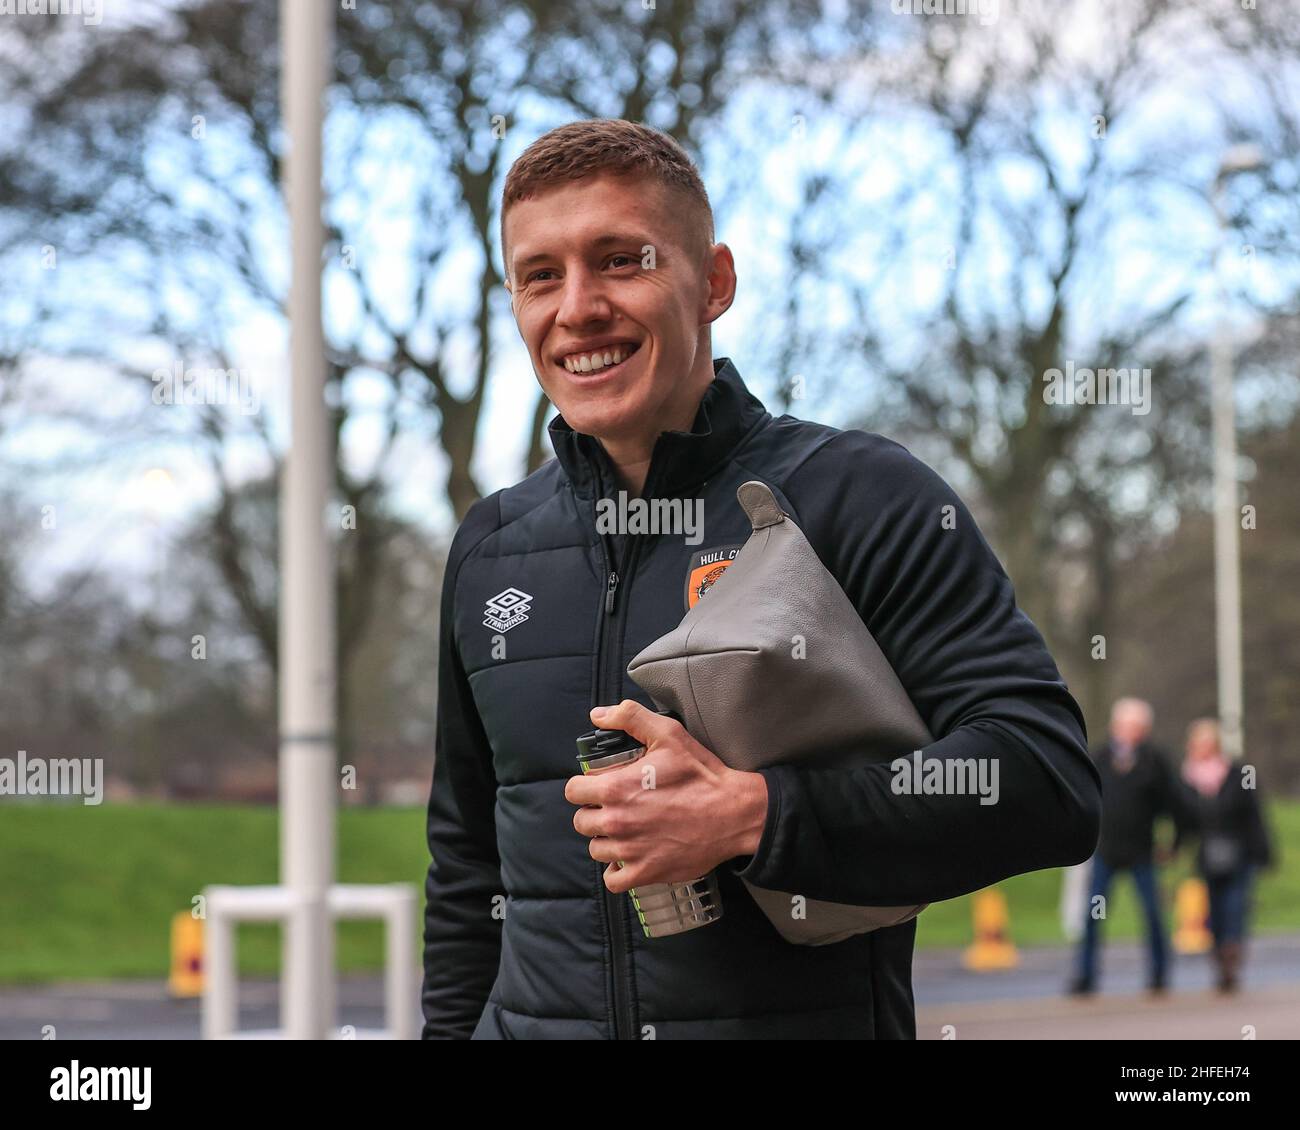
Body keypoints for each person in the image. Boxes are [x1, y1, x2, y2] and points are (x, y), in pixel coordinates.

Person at [421, 118, 1101, 1040]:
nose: (576, 308)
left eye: (622, 260)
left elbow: (1044, 779)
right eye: (541, 275)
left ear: (714, 283)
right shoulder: (492, 545)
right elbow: (468, 873)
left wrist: (757, 814)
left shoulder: (859, 495)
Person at [1069, 697, 1187, 996]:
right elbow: (1082, 798)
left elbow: (1175, 805)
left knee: (1152, 914)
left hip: (1142, 852)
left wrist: (1173, 844)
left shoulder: (1155, 761)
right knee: (1092, 916)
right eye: (1125, 725)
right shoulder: (1099, 756)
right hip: (1105, 851)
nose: (1129, 731)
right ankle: (1085, 976)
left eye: (1136, 726)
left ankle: (1159, 974)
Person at [1177, 718, 1274, 993]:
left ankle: (1231, 958)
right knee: (1215, 911)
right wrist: (1173, 848)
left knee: (1235, 907)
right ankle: (1220, 961)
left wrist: (1263, 852)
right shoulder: (1186, 779)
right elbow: (1184, 822)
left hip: (1240, 853)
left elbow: (1255, 815)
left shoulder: (1239, 773)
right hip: (1208, 856)